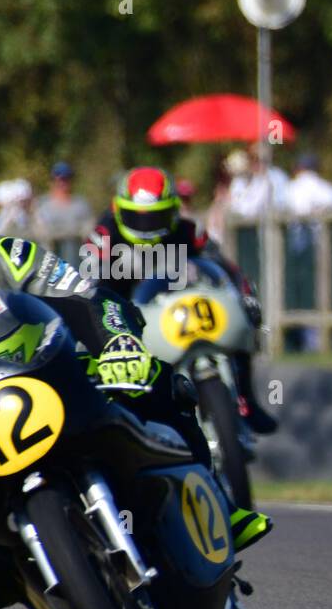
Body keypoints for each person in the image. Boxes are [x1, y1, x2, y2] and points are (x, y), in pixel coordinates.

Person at [0, 163, 272, 609]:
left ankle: (217, 500)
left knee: (161, 382)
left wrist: (118, 343)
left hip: (54, 383)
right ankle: (38, 588)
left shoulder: (1, 254)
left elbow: (86, 296)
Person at [87, 166, 279, 435]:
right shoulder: (103, 237)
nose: (146, 228)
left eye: (157, 218)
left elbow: (224, 266)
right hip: (124, 305)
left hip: (172, 303)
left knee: (238, 322)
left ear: (174, 210)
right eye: (137, 218)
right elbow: (89, 289)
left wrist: (245, 295)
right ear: (118, 210)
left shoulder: (188, 229)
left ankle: (247, 400)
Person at [33, 161, 93, 241]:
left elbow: (89, 229)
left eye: (66, 179)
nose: (63, 183)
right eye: (59, 179)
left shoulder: (81, 205)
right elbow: (38, 232)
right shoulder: (42, 205)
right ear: (52, 181)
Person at [228, 149, 289, 221]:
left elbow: (256, 206)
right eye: (252, 160)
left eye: (257, 160)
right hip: (250, 222)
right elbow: (236, 205)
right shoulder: (250, 180)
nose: (254, 164)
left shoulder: (276, 175)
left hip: (277, 220)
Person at [284, 153, 332, 218]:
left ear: (299, 168)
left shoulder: (290, 187)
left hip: (295, 226)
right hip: (323, 226)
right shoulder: (331, 188)